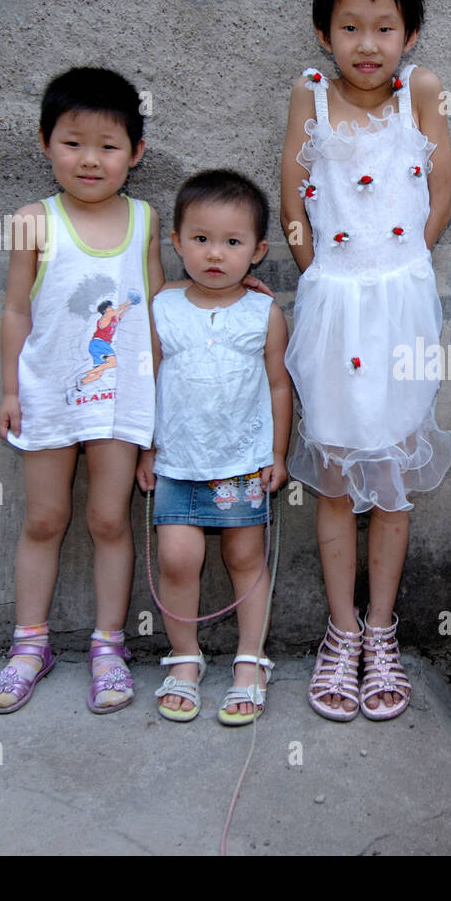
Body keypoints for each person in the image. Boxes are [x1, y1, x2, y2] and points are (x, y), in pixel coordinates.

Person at [280, 0, 451, 722]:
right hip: (333, 306)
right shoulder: (308, 96)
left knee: (392, 477)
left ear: (409, 35)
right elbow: (293, 186)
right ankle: (339, 632)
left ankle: (381, 629)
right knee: (335, 475)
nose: (367, 43)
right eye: (350, 26)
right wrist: (317, 270)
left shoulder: (420, 91)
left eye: (384, 28)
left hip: (401, 307)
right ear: (324, 33)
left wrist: (407, 262)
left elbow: (440, 189)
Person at [0, 67, 161, 714]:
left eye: (109, 145)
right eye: (73, 142)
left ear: (136, 154)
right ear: (44, 142)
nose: (91, 159)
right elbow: (14, 311)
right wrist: (10, 390)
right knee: (44, 518)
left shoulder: (145, 220)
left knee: (110, 519)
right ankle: (29, 645)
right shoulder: (34, 221)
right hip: (48, 395)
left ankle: (109, 646)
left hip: (120, 400)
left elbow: (153, 313)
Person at [136, 170, 290, 724]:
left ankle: (250, 660)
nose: (216, 254)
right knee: (178, 557)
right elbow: (148, 381)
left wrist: (277, 453)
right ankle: (184, 658)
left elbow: (278, 385)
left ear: (258, 251)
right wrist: (147, 449)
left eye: (233, 242)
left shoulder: (263, 313)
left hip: (243, 462)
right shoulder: (163, 309)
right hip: (177, 458)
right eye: (200, 239)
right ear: (176, 243)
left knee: (244, 557)